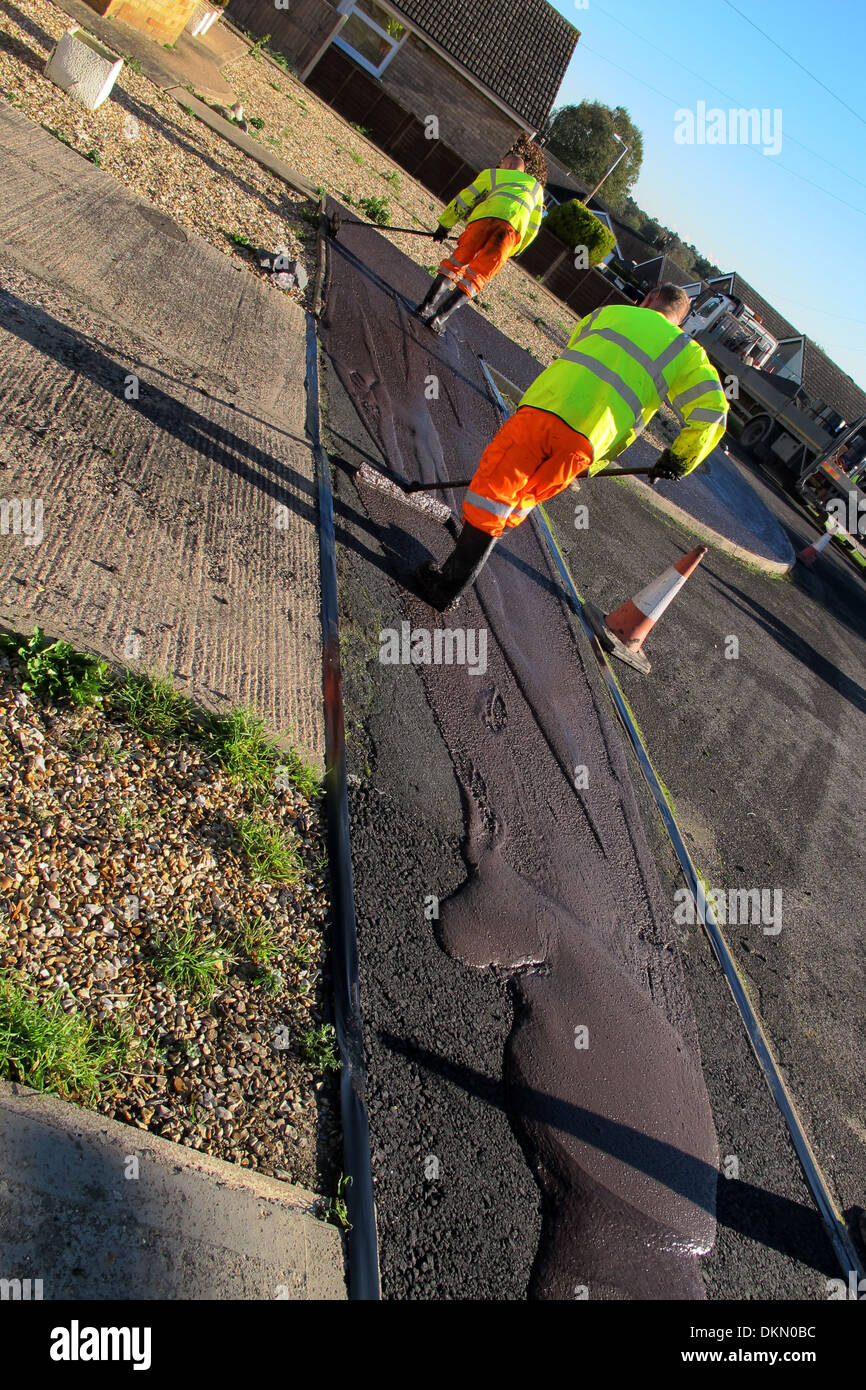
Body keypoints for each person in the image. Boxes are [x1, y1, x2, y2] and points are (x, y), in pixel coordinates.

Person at [414, 284, 729, 611]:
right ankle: (467, 554)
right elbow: (713, 413)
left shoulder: (609, 314)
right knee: (523, 500)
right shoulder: (686, 352)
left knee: (495, 490)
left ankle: (449, 584)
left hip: (547, 409)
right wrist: (679, 459)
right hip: (587, 442)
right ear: (680, 320)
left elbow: (577, 350)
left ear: (648, 300)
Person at [415, 136, 547, 335]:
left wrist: (444, 225)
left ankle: (425, 306)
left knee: (456, 263)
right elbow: (533, 227)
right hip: (510, 232)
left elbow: (465, 199)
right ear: (522, 170)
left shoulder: (492, 175)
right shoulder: (536, 188)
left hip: (482, 221)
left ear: (505, 165)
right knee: (477, 278)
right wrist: (514, 249)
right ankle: (439, 318)